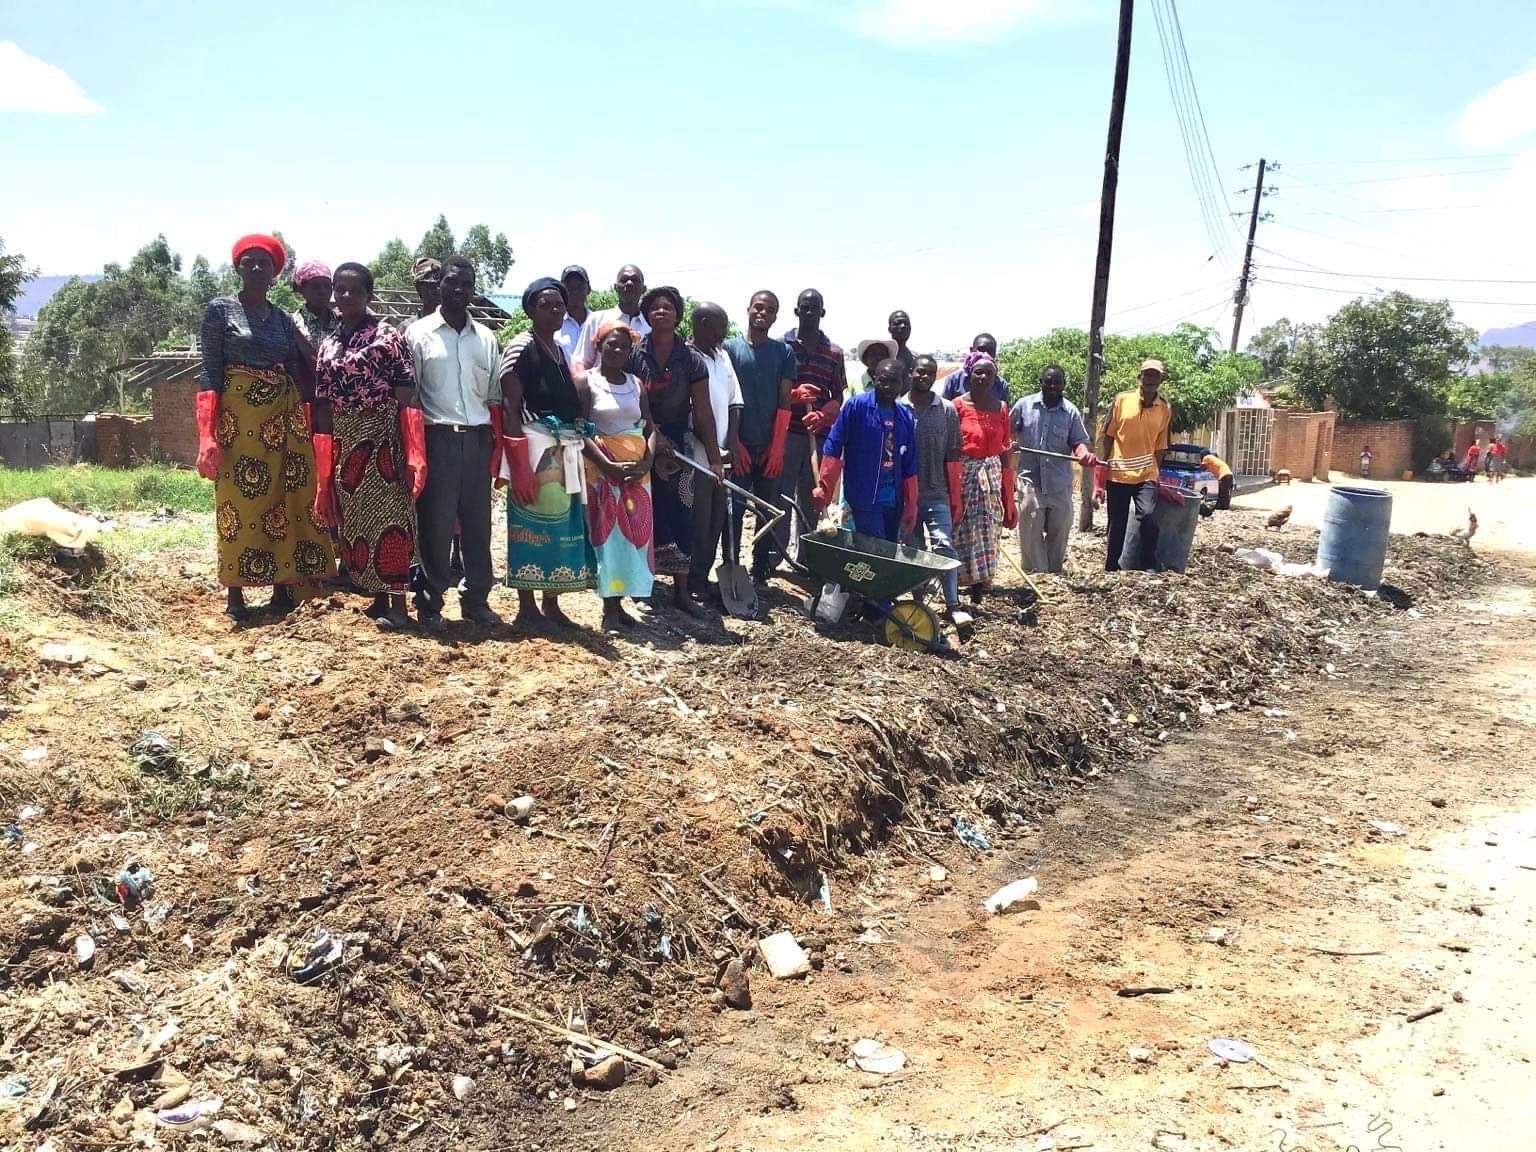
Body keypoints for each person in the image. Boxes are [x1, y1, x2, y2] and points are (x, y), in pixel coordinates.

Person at [195, 233, 333, 621]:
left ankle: (282, 587)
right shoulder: (220, 312)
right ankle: (236, 594)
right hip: (237, 421)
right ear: (237, 268)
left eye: (265, 264)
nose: (257, 269)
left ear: (276, 273)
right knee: (236, 502)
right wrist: (207, 435)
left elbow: (298, 365)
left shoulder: (283, 319)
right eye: (249, 262)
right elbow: (210, 372)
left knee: (284, 500)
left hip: (281, 419)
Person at [310, 263, 425, 630]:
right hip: (345, 440)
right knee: (357, 519)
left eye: (354, 290)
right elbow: (323, 401)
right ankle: (375, 596)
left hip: (381, 437)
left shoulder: (387, 336)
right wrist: (326, 456)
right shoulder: (329, 343)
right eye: (339, 289)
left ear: (368, 295)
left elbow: (406, 394)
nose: (345, 296)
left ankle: (398, 605)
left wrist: (410, 450)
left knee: (389, 519)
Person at [404, 255, 503, 631]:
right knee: (437, 523)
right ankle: (430, 603)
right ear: (438, 285)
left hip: (478, 439)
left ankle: (477, 600)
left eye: (467, 284)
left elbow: (493, 398)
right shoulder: (418, 334)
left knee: (478, 524)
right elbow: (410, 397)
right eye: (452, 282)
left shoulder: (487, 339)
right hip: (437, 438)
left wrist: (496, 450)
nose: (459, 290)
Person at [498, 276, 595, 629]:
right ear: (530, 309)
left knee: (558, 527)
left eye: (560, 305)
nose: (555, 310)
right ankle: (526, 608)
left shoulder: (560, 350)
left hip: (563, 447)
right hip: (533, 447)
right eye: (546, 305)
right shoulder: (520, 347)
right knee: (531, 525)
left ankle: (551, 603)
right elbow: (511, 407)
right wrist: (518, 464)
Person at [631, 285, 718, 616]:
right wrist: (654, 435)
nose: (661, 311)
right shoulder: (635, 354)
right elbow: (628, 399)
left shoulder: (692, 359)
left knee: (681, 514)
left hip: (679, 448)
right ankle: (642, 585)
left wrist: (713, 460)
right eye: (654, 307)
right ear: (647, 315)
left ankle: (681, 592)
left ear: (678, 315)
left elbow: (704, 411)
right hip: (640, 443)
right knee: (643, 513)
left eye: (668, 307)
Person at [580, 322, 655, 630]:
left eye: (624, 346)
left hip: (637, 477)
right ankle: (608, 609)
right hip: (603, 472)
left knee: (634, 538)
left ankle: (621, 603)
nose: (617, 350)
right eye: (611, 344)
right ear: (598, 346)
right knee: (608, 539)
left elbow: (650, 427)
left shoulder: (636, 384)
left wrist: (646, 462)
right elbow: (580, 431)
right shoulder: (585, 383)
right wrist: (608, 466)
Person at [724, 291, 795, 581]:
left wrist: (777, 446)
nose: (763, 313)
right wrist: (734, 443)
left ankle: (760, 569)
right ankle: (730, 565)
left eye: (770, 310)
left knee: (768, 512)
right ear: (749, 310)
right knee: (733, 512)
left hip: (768, 448)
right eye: (758, 307)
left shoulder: (783, 353)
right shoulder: (729, 349)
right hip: (738, 444)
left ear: (776, 316)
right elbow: (725, 399)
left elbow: (785, 400)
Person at [814, 357, 918, 548]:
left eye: (893, 382)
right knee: (875, 548)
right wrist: (825, 487)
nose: (887, 386)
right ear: (875, 379)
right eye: (882, 380)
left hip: (893, 500)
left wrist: (911, 503)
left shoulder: (905, 416)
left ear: (902, 384)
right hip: (864, 495)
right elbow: (833, 446)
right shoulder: (856, 406)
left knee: (889, 547)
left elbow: (909, 463)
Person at [1011, 364, 1095, 573]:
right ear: (1041, 382)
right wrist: (1009, 444)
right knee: (1030, 526)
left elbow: (1079, 442)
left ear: (1063, 385)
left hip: (1060, 482)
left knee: (1061, 529)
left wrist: (1083, 454)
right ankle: (1037, 576)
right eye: (1048, 381)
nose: (1053, 386)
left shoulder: (1071, 412)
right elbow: (1007, 430)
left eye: (1057, 382)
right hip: (1030, 479)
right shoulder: (1024, 405)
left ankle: (1054, 572)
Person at [782, 289, 848, 553]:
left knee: (813, 497)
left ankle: (808, 554)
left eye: (814, 307)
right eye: (804, 307)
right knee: (782, 494)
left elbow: (838, 395)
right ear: (797, 311)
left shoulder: (833, 352)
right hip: (786, 434)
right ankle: (773, 557)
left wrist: (824, 414)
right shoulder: (781, 347)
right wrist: (794, 397)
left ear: (823, 312)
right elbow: (771, 392)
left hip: (817, 436)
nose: (809, 312)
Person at [898, 354, 963, 617]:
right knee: (913, 552)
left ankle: (952, 604)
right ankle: (919, 605)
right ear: (911, 373)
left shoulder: (946, 410)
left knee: (944, 545)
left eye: (930, 373)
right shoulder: (899, 407)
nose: (924, 376)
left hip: (937, 494)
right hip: (905, 497)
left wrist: (955, 497)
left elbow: (953, 456)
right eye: (920, 372)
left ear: (935, 377)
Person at [687, 302, 744, 601]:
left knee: (717, 518)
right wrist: (711, 452)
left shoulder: (722, 358)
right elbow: (692, 413)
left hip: (722, 456)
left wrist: (730, 446)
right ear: (703, 323)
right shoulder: (687, 357)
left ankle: (703, 576)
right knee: (699, 517)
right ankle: (691, 578)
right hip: (697, 457)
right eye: (719, 327)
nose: (723, 333)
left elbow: (735, 402)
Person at [1095, 358, 1174, 572]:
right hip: (1118, 474)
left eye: (1155, 375)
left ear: (1160, 380)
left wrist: (1155, 473)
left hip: (1145, 474)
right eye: (1147, 374)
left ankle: (1148, 563)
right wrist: (1101, 472)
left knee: (1147, 515)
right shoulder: (1121, 401)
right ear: (1140, 377)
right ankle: (1111, 567)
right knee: (1116, 523)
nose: (1150, 379)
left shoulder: (1164, 409)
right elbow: (1107, 437)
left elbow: (1161, 445)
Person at [953, 353, 1016, 598]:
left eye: (988, 373)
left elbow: (1005, 449)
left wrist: (1008, 494)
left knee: (989, 526)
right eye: (978, 372)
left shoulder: (1001, 407)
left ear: (994, 378)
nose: (983, 377)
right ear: (969, 374)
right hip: (964, 473)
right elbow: (951, 446)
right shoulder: (957, 406)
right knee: (963, 526)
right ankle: (960, 579)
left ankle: (983, 580)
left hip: (991, 475)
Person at [573, 264, 650, 369]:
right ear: (615, 287)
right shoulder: (596, 319)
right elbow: (581, 362)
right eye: (624, 280)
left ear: (644, 289)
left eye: (635, 280)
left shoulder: (650, 327)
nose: (629, 283)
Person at [941, 333, 1010, 403]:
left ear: (995, 354)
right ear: (971, 350)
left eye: (990, 351)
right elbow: (945, 410)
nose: (985, 355)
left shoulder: (1001, 385)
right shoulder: (954, 380)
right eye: (981, 350)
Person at [555, 265, 591, 364]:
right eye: (569, 287)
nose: (574, 291)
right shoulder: (553, 324)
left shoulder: (598, 322)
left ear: (588, 289)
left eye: (579, 287)